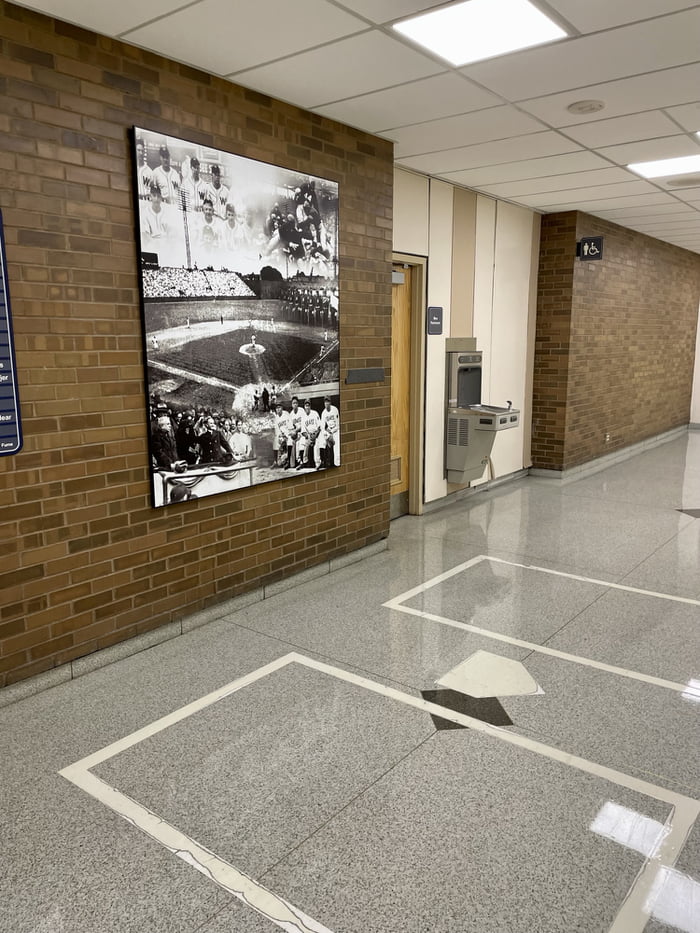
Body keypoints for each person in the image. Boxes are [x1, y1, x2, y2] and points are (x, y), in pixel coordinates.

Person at [151, 407, 187, 471]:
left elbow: (174, 449)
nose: (170, 426)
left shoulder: (169, 436)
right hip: (166, 466)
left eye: (169, 424)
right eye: (168, 424)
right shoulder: (156, 437)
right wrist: (169, 463)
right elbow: (159, 453)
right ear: (162, 426)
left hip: (175, 464)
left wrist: (177, 461)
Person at [298, 398, 321, 469]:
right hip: (308, 435)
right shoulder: (303, 416)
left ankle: (318, 463)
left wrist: (315, 435)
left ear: (310, 406)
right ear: (304, 407)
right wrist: (308, 436)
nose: (307, 407)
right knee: (301, 442)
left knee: (317, 444)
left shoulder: (315, 413)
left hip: (316, 434)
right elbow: (303, 431)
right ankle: (302, 462)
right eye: (306, 406)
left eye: (308, 405)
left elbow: (319, 427)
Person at [320, 396, 340, 467]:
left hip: (335, 430)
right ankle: (323, 462)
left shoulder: (335, 409)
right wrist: (326, 434)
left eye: (328, 401)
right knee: (321, 441)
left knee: (336, 446)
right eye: (325, 402)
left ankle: (337, 464)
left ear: (330, 402)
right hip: (329, 430)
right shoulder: (323, 413)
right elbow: (322, 427)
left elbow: (338, 425)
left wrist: (332, 432)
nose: (326, 403)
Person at [286, 396, 303, 469]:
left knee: (299, 442)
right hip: (295, 433)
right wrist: (292, 432)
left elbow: (304, 424)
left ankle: (300, 462)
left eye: (296, 403)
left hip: (302, 431)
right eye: (293, 403)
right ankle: (290, 463)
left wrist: (295, 431)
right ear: (291, 405)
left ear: (298, 404)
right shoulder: (291, 414)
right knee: (290, 441)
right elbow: (290, 427)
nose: (295, 404)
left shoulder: (301, 411)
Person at [272, 402, 289, 467]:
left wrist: (286, 434)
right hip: (281, 435)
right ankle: (275, 461)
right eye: (277, 408)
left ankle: (287, 461)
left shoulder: (286, 414)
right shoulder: (276, 418)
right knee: (275, 441)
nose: (278, 409)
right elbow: (277, 430)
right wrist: (280, 435)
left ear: (282, 408)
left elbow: (290, 425)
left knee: (287, 443)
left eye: (279, 407)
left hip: (287, 433)